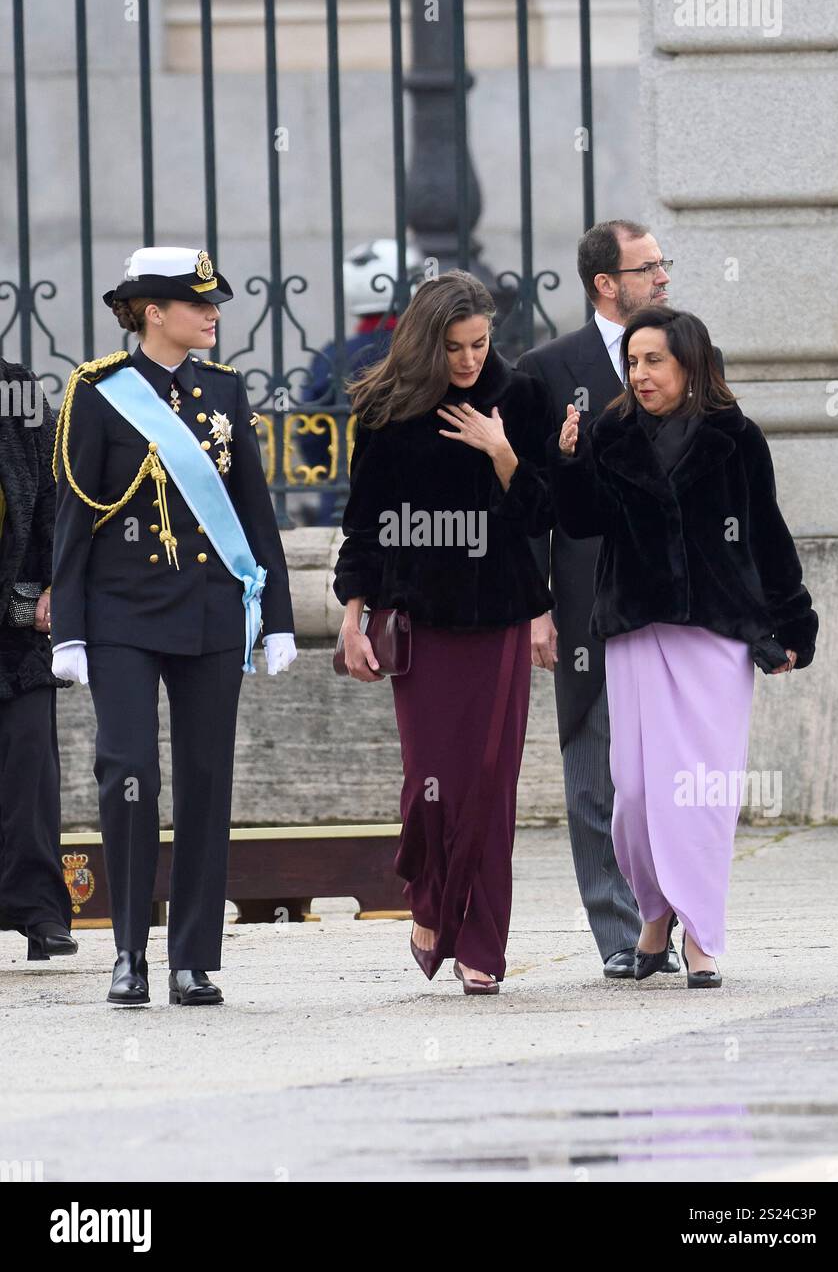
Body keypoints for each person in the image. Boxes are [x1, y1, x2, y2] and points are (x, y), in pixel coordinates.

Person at [50, 246, 297, 1007]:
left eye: (213, 301)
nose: (213, 313)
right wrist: (69, 629)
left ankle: (193, 957)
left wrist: (278, 617)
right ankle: (128, 951)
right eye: (198, 303)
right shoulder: (100, 394)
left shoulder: (224, 390)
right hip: (124, 614)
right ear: (153, 312)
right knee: (127, 773)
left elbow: (255, 511)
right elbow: (74, 519)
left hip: (212, 614)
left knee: (205, 780)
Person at [548, 304, 818, 987]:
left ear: (690, 364)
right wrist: (572, 462)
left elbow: (768, 537)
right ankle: (654, 915)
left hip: (716, 637)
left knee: (697, 791)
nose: (640, 374)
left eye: (654, 361)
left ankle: (699, 935)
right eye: (632, 361)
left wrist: (793, 626)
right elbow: (583, 522)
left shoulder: (737, 436)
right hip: (636, 631)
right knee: (636, 792)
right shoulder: (612, 433)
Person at [333, 269, 554, 993]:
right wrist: (351, 617)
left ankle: (483, 946)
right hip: (421, 621)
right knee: (429, 787)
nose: (468, 361)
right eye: (455, 347)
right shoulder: (387, 408)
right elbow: (361, 525)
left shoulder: (519, 397)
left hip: (498, 618)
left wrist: (502, 451)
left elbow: (547, 515)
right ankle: (429, 899)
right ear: (427, 342)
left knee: (490, 784)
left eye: (480, 344)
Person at [517, 219, 690, 979]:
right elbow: (525, 499)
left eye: (662, 264)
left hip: (681, 605)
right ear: (605, 284)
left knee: (677, 779)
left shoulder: (688, 355)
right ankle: (620, 935)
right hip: (588, 602)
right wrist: (535, 605)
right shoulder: (548, 368)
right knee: (597, 782)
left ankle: (683, 924)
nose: (663, 277)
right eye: (648, 267)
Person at [0, 358, 76, 961]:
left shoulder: (16, 388)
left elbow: (55, 489)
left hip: (14, 628)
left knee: (30, 770)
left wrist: (51, 584)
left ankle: (40, 913)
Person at [299, 239, 422, 525]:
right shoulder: (428, 350)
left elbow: (309, 431)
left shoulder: (335, 355)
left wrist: (332, 472)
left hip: (347, 499)